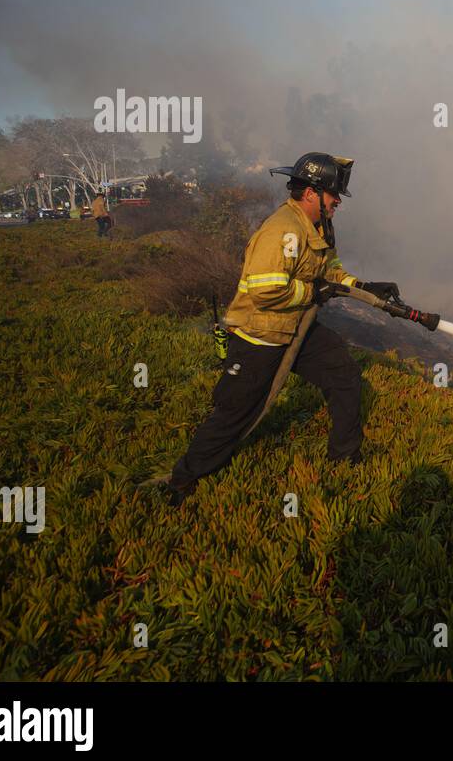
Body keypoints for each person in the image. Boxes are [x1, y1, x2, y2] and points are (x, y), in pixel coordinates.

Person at [159, 152, 401, 507]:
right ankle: (182, 481)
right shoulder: (282, 230)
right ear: (311, 194)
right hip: (260, 334)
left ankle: (344, 461)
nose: (337, 204)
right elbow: (265, 290)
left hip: (297, 326)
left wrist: (364, 285)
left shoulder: (316, 227)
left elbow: (330, 272)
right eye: (334, 196)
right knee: (236, 412)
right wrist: (312, 291)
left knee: (344, 373)